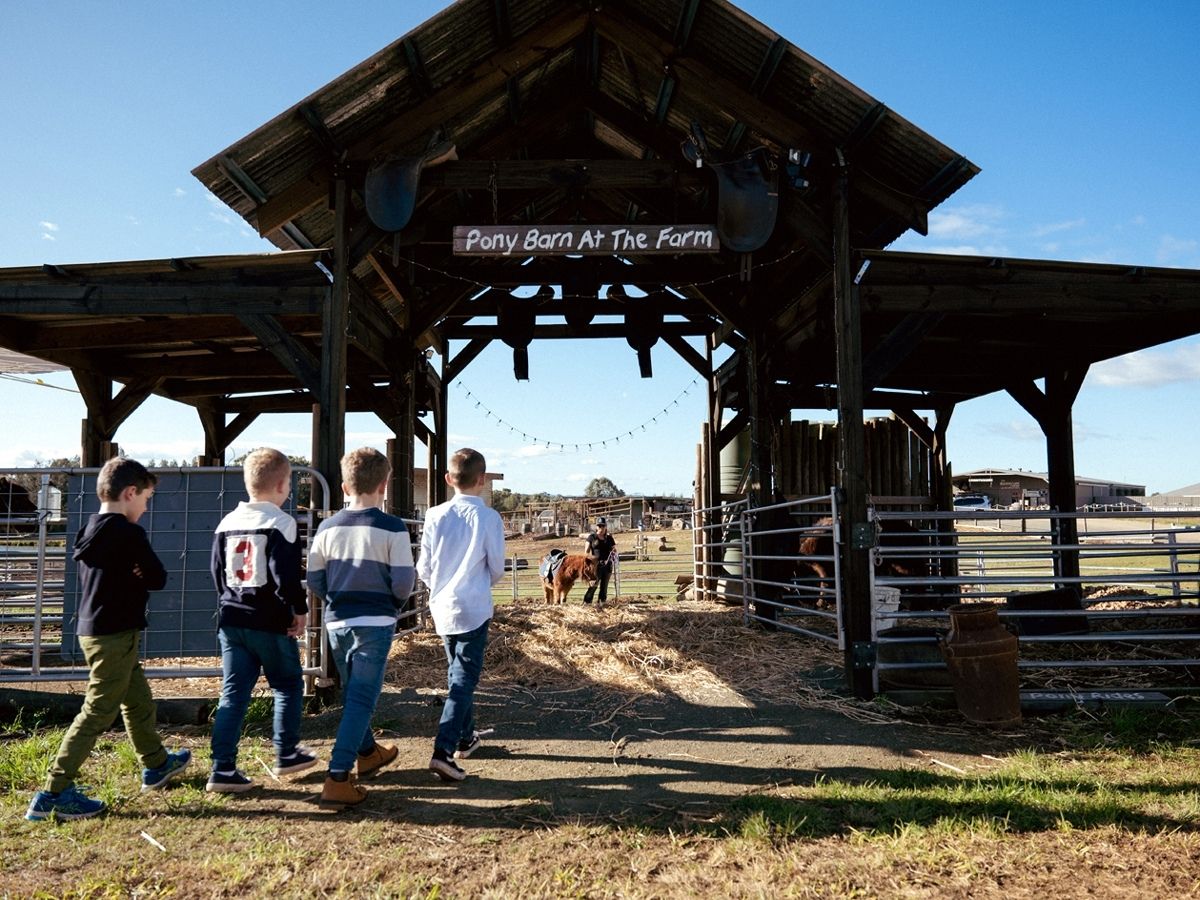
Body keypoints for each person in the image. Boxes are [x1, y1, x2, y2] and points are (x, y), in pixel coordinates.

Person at [26, 457, 190, 821]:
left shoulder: (89, 528)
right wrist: (138, 571)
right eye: (146, 498)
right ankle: (53, 792)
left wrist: (135, 571)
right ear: (130, 493)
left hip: (94, 631)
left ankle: (157, 763)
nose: (146, 507)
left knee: (137, 698)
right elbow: (157, 576)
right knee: (98, 710)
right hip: (115, 633)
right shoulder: (129, 533)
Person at [306, 448, 416, 810]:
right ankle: (337, 776)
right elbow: (403, 582)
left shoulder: (326, 527)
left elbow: (315, 579)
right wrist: (392, 606)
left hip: (337, 620)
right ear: (384, 485)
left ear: (342, 487)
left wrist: (336, 599)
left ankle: (368, 754)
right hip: (375, 621)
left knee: (352, 691)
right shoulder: (392, 528)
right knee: (362, 699)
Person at [207, 447, 315, 793]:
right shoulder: (281, 523)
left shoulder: (226, 523)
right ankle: (286, 752)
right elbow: (284, 575)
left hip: (231, 618)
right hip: (269, 621)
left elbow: (216, 572)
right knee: (286, 684)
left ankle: (222, 767)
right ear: (284, 485)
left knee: (233, 693)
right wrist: (299, 610)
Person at [417, 447, 505, 782]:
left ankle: (466, 738)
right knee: (463, 680)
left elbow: (423, 566)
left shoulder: (435, 515)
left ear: (448, 479)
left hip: (442, 606)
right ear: (482, 480)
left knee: (456, 673)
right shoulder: (488, 518)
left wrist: (439, 587)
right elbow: (496, 567)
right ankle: (443, 750)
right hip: (473, 606)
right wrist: (480, 583)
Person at [581, 517, 616, 604]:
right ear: (596, 527)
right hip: (596, 566)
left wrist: (613, 554)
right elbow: (586, 553)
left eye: (603, 526)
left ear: (605, 527)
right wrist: (591, 562)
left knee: (604, 586)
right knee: (594, 585)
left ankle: (602, 602)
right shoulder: (591, 537)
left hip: (607, 566)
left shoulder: (609, 538)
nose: (601, 528)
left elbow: (614, 550)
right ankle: (587, 602)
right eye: (599, 526)